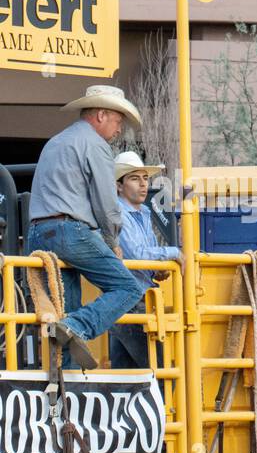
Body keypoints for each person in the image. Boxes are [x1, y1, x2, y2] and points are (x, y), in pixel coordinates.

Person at [26, 85, 147, 370]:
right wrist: (112, 241)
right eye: (118, 121)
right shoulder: (95, 145)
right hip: (71, 232)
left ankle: (62, 390)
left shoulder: (55, 142)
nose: (119, 130)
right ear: (101, 115)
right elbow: (106, 204)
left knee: (61, 307)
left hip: (38, 234)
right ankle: (77, 326)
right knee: (127, 287)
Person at [109, 151, 180, 368]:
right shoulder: (118, 214)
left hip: (134, 299)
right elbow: (136, 253)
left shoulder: (143, 212)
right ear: (119, 186)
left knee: (128, 378)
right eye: (134, 178)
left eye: (145, 178)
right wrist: (173, 253)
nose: (142, 184)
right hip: (133, 300)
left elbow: (142, 252)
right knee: (159, 371)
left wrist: (155, 269)